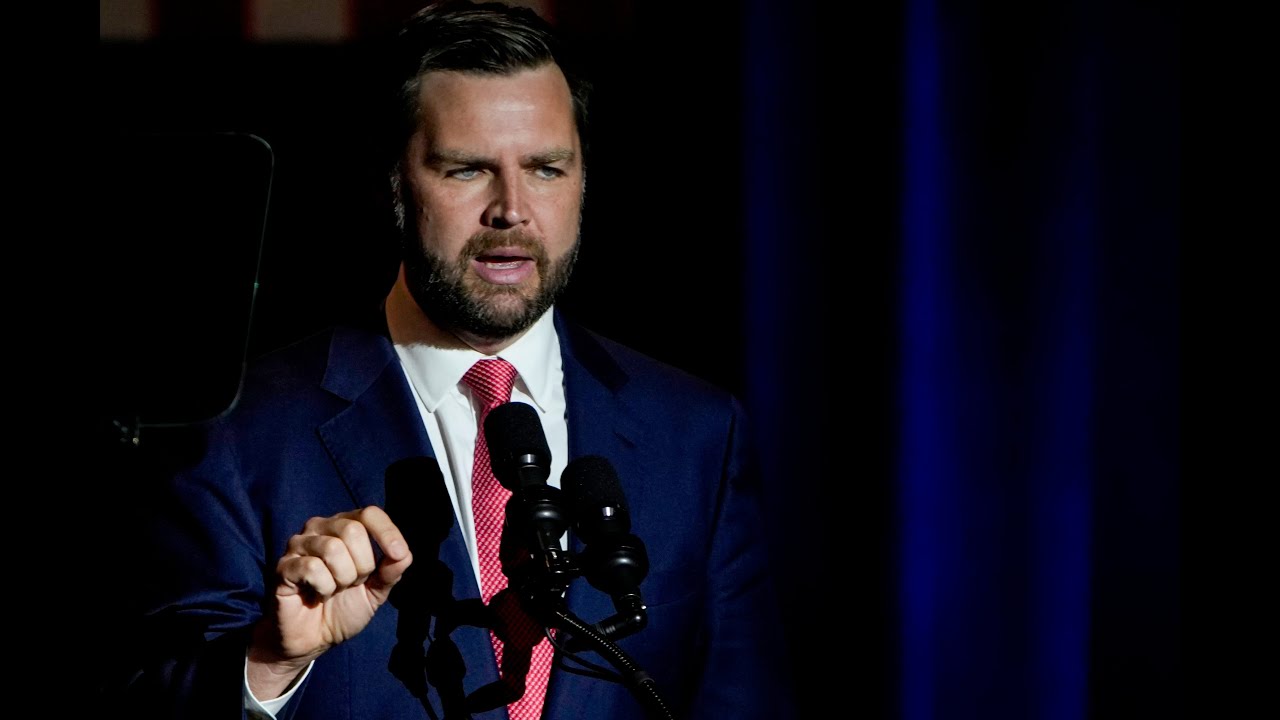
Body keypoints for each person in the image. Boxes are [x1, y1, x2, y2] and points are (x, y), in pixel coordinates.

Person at [104, 2, 796, 718]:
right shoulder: (238, 434)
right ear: (394, 185)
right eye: (466, 170)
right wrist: (269, 664)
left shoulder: (696, 433)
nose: (512, 209)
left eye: (547, 168)